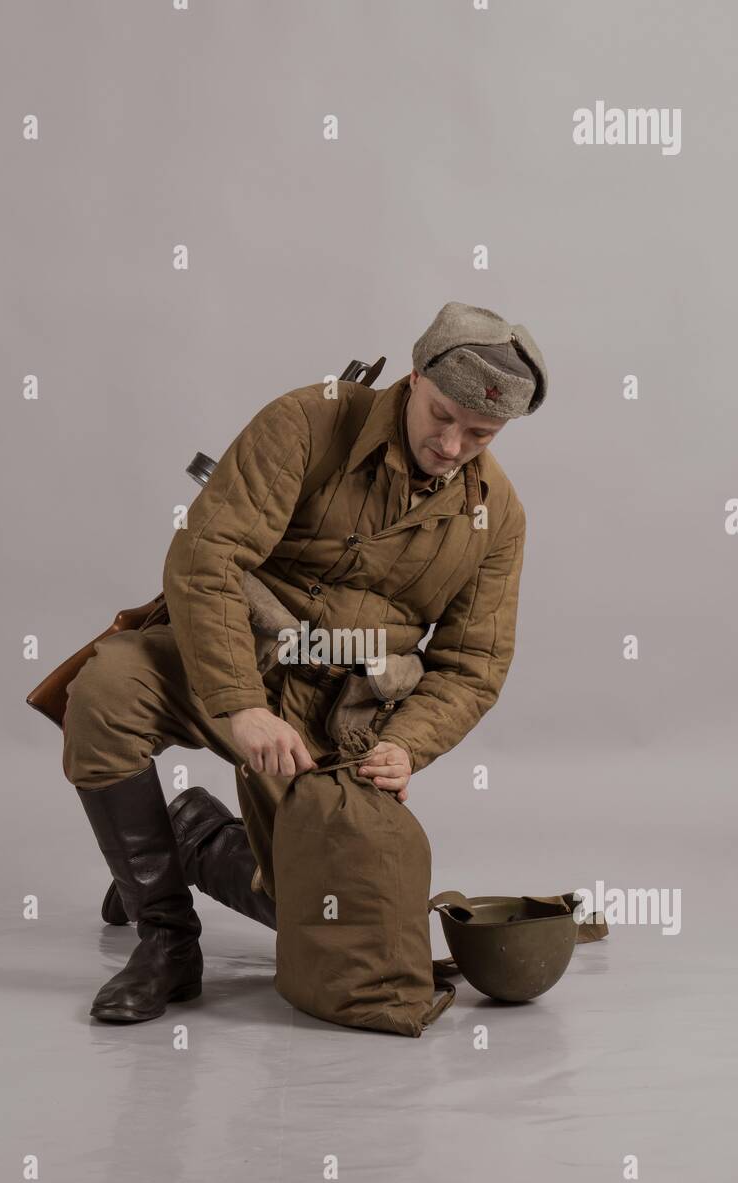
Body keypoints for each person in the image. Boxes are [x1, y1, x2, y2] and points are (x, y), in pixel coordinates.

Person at [61, 302, 547, 1023]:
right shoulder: (307, 421)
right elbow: (207, 558)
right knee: (105, 690)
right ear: (414, 378)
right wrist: (240, 703)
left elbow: (473, 662)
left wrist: (405, 747)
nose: (452, 445)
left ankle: (195, 839)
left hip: (341, 712)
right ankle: (166, 940)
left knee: (326, 929)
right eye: (442, 414)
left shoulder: (496, 517)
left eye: (480, 433)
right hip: (231, 657)